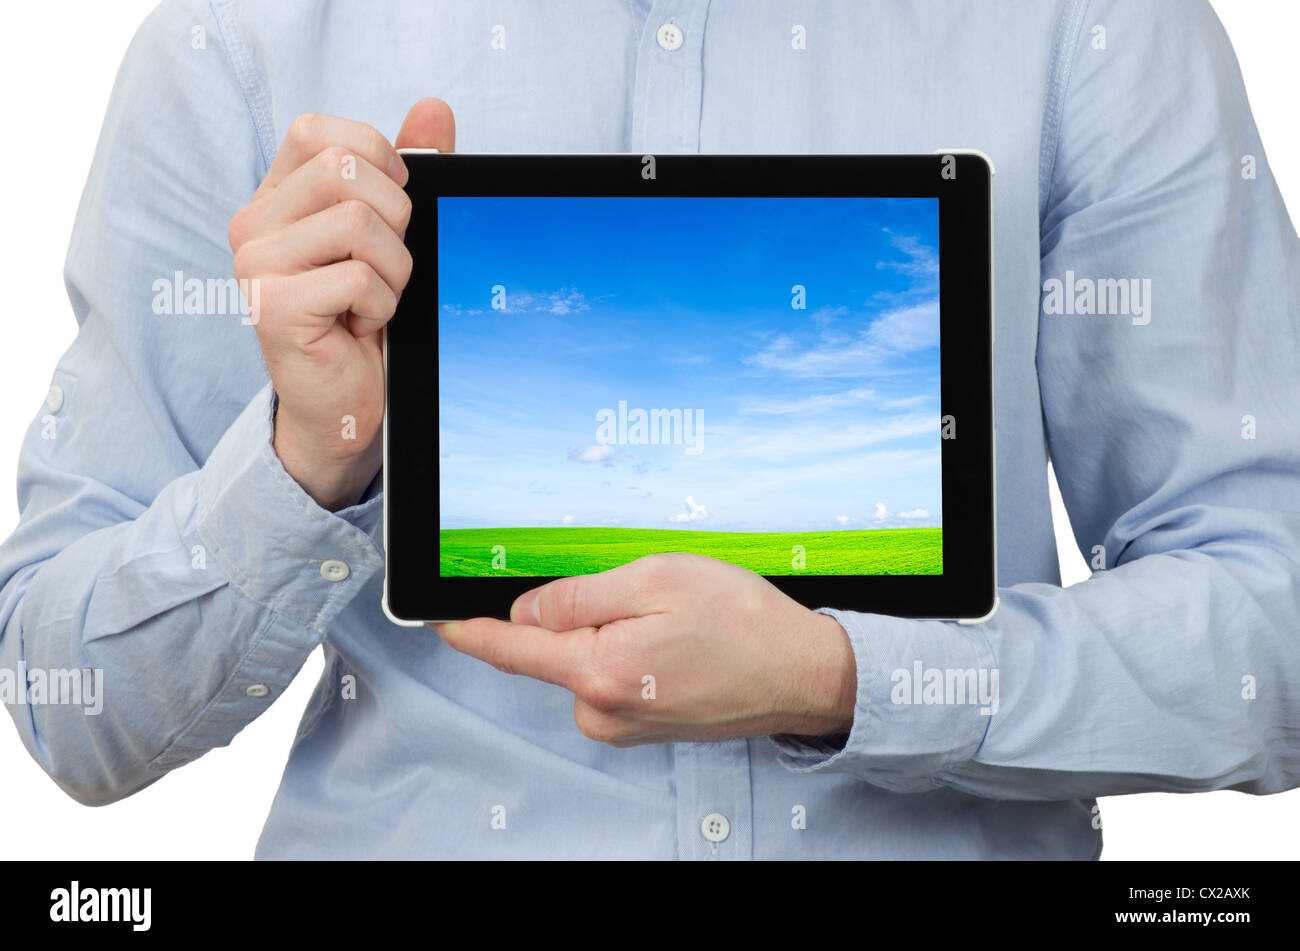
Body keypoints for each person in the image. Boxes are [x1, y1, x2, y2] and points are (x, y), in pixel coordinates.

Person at [1, 0, 1297, 860]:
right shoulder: (239, 40)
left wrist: (843, 682)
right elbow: (74, 710)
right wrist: (308, 456)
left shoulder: (1091, 25)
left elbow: (1276, 622)